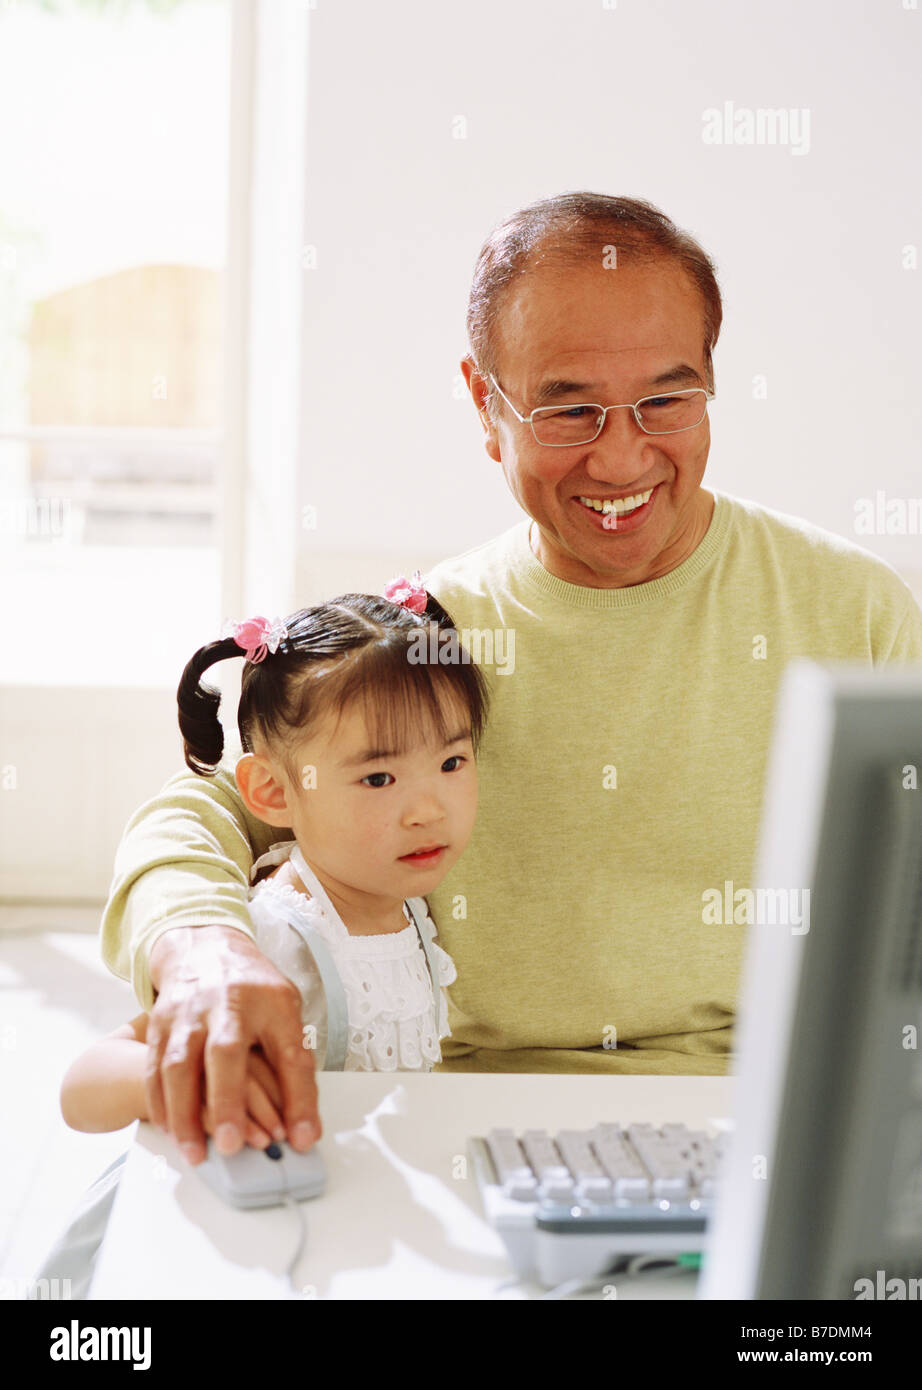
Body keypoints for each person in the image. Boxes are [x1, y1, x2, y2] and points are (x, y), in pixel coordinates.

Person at [99, 191, 922, 1168]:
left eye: (666, 400)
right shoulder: (423, 638)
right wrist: (198, 945)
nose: (622, 455)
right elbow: (202, 810)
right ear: (486, 405)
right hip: (481, 1133)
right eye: (567, 409)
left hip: (784, 1122)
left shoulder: (857, 613)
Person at [31, 580, 487, 1296]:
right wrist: (197, 1085)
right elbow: (83, 1085)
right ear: (272, 793)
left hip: (339, 1217)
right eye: (377, 777)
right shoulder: (279, 933)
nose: (429, 809)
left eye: (453, 763)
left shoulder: (407, 907)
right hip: (219, 1229)